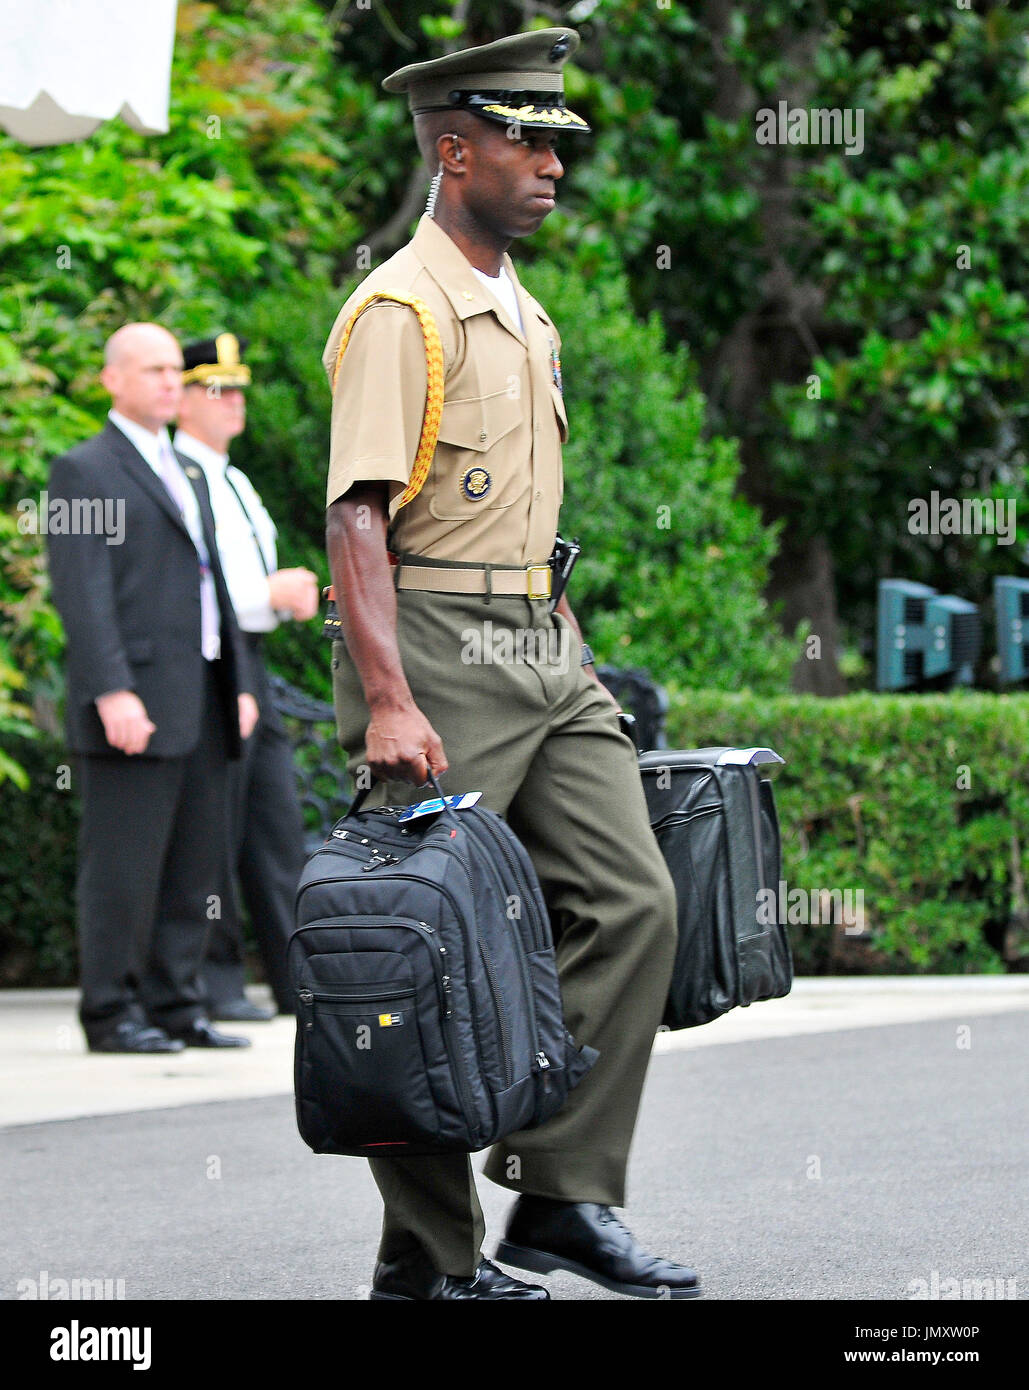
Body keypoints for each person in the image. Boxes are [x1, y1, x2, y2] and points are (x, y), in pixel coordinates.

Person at [323, 30, 700, 1300]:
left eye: (557, 144)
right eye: (525, 141)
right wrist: (387, 697)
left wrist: (568, 641)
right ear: (452, 149)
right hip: (432, 648)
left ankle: (558, 1194)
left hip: (543, 642)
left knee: (634, 900)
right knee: (416, 948)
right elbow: (357, 516)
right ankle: (428, 1260)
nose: (550, 164)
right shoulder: (400, 309)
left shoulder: (520, 307)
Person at [47, 322, 257, 1053]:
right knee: (124, 867)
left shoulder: (190, 469)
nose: (172, 382)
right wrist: (111, 690)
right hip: (132, 698)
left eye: (176, 370)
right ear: (111, 380)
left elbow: (214, 587)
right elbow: (81, 592)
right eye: (153, 370)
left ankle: (177, 1003)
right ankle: (111, 1011)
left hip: (199, 691)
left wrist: (238, 679)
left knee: (195, 860)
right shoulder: (82, 470)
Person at [174, 333, 319, 1022]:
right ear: (184, 397)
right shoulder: (176, 475)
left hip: (251, 659)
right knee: (212, 829)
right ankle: (215, 985)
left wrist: (281, 594)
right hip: (208, 661)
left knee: (274, 824)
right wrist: (272, 592)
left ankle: (301, 985)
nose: (233, 400)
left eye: (236, 387)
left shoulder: (234, 478)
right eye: (216, 388)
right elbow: (192, 589)